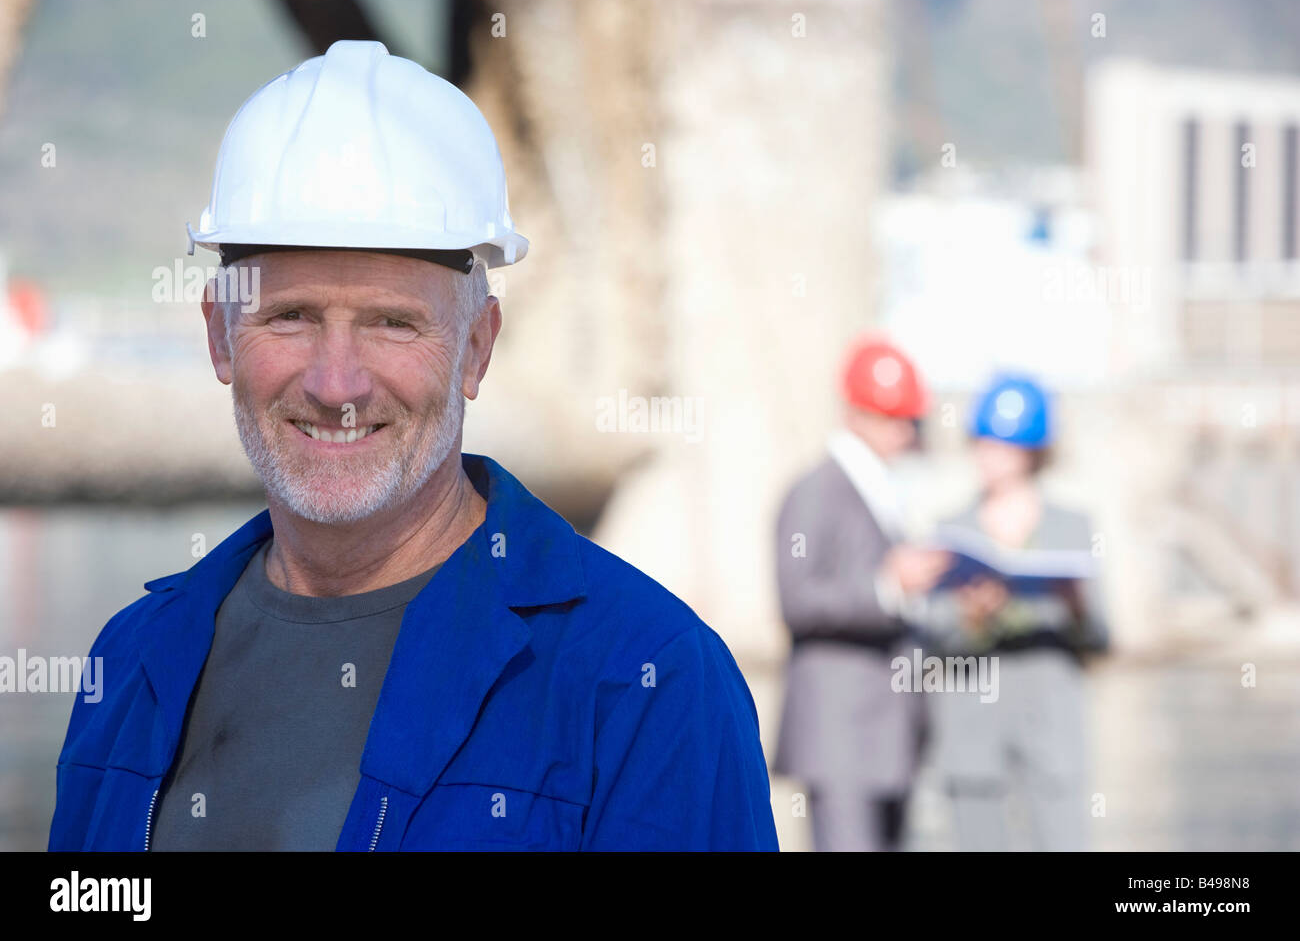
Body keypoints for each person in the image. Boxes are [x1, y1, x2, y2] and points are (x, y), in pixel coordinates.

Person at [48, 41, 778, 852]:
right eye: (289, 316)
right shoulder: (134, 661)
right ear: (220, 334)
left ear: (476, 347)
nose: (336, 383)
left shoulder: (644, 682)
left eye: (394, 323)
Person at [773, 337, 950, 851]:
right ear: (856, 413)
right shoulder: (813, 491)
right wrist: (888, 589)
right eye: (891, 417)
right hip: (841, 736)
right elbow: (797, 600)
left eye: (907, 419)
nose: (904, 431)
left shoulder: (887, 491)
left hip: (889, 734)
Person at [923, 373, 1108, 851]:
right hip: (973, 733)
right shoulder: (950, 529)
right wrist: (971, 616)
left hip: (1052, 727)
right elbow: (931, 638)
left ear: (1033, 453)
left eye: (1003, 446)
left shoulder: (1073, 528)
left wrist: (1076, 607)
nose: (988, 456)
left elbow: (1103, 637)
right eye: (982, 443)